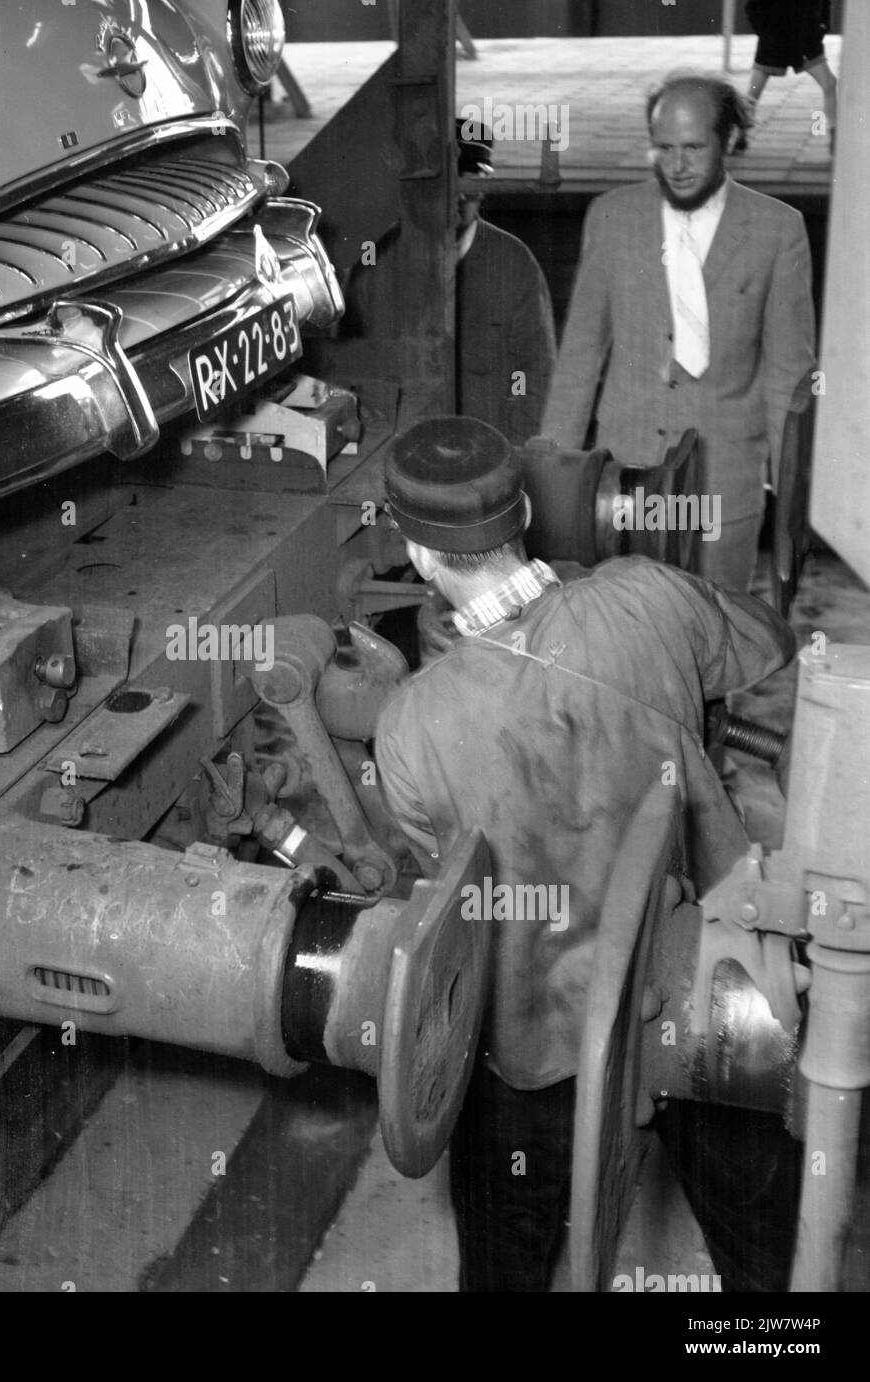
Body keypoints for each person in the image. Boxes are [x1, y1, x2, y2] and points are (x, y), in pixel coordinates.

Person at [373, 415, 801, 1291]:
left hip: (534, 1042)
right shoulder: (647, 595)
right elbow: (770, 644)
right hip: (702, 993)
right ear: (524, 508)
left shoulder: (411, 725)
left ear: (418, 555)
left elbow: (453, 890)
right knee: (763, 1253)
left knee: (504, 1260)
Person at [540, 72, 815, 593]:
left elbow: (789, 385)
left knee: (715, 646)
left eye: (693, 147)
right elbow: (578, 361)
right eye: (663, 148)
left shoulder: (779, 231)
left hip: (725, 492)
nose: (677, 165)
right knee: (628, 645)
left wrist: (791, 519)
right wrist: (553, 484)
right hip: (619, 487)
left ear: (729, 140)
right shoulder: (611, 217)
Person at [453, 123, 558, 445]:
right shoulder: (383, 261)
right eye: (445, 183)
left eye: (468, 180)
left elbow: (533, 372)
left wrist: (517, 451)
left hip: (487, 454)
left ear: (486, 184)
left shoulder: (513, 264)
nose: (457, 195)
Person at [737, 0, 837, 155]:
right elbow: (753, 6)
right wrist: (764, 31)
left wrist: (822, 26)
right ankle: (740, 136)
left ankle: (835, 133)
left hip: (806, 41)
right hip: (774, 40)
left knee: (829, 83)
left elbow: (824, 4)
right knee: (754, 92)